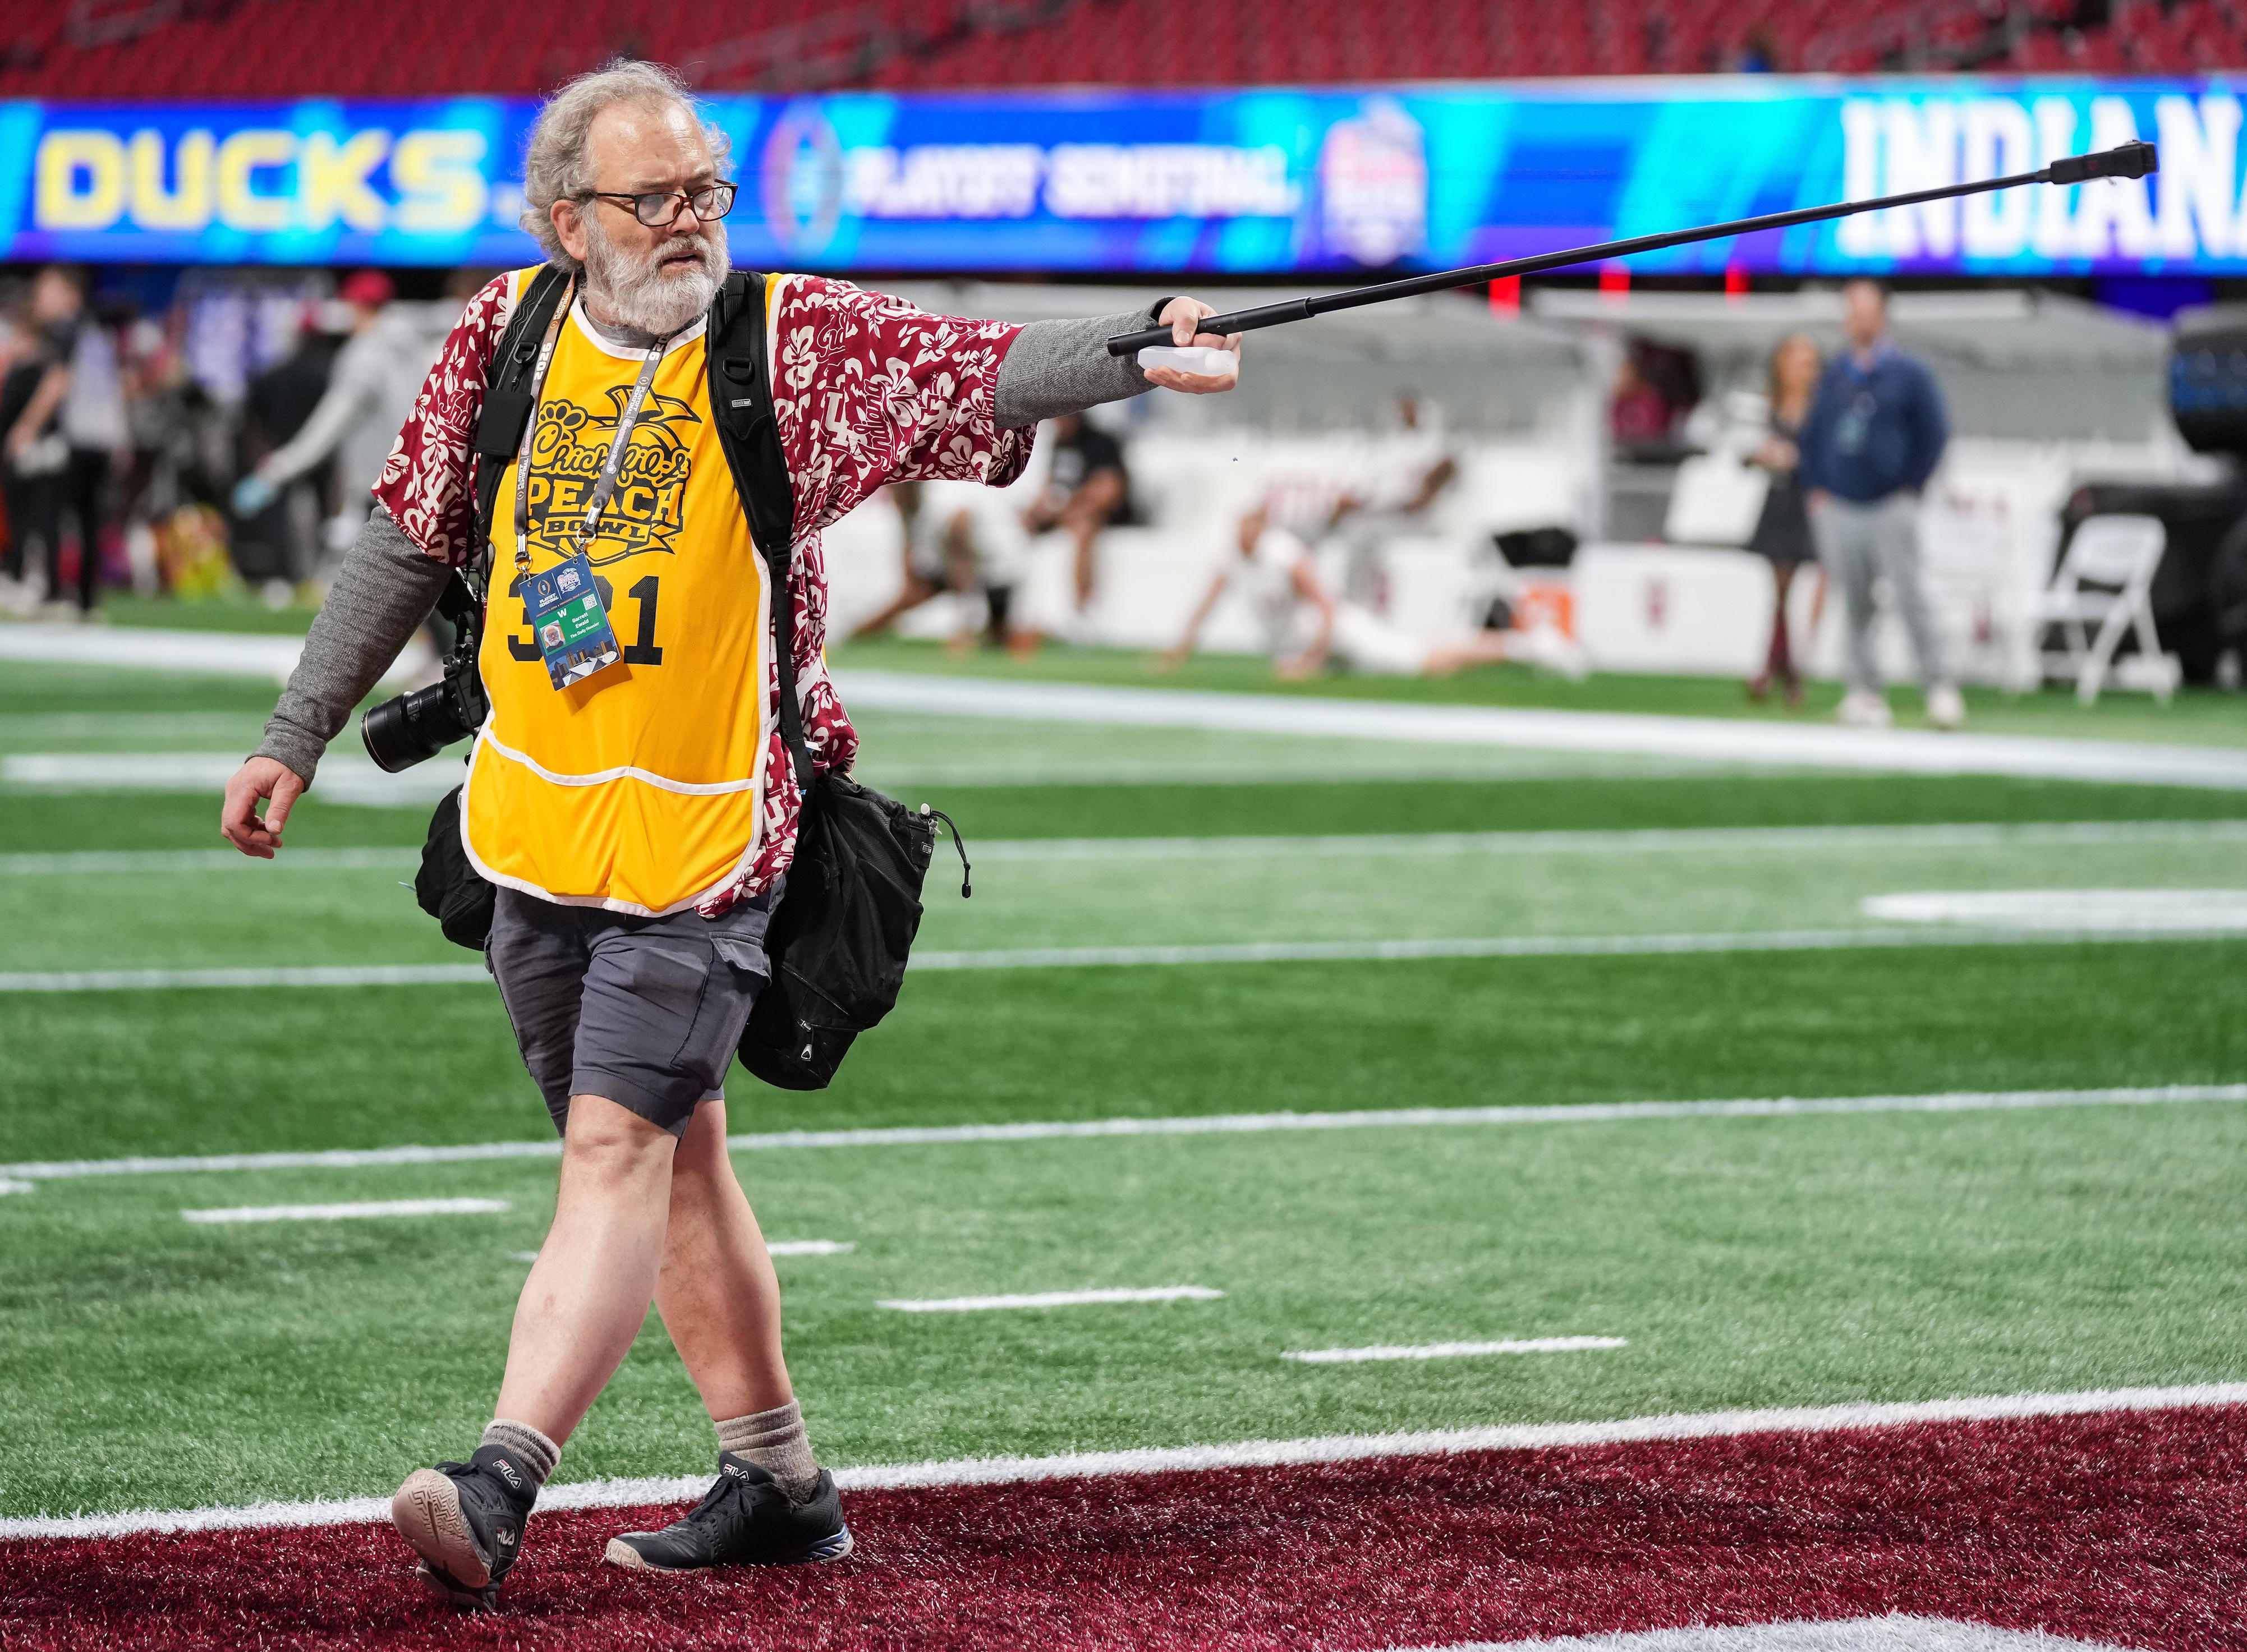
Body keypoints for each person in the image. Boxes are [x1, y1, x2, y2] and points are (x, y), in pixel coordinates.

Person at [216, 59, 1239, 1610]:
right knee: (670, 1151)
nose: (692, 221)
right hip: (533, 823)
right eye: (655, 197)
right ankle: (777, 1478)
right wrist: (294, 732)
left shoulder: (789, 341)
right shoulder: (499, 338)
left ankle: (501, 1477)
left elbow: (971, 365)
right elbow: (409, 535)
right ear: (570, 220)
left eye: (708, 190)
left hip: (715, 835)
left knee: (615, 1144)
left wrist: (1138, 343)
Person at [1161, 503, 1582, 682]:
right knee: (1422, 661)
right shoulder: (1233, 554)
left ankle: (1530, 644)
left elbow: (1325, 607)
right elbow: (1209, 600)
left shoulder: (1283, 553)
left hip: (1330, 634)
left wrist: (1311, 659)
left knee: (1425, 660)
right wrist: (1181, 646)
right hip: (1301, 643)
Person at [1798, 279, 1963, 730]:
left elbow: (1934, 434)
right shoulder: (1835, 373)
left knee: (1910, 596)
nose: (1856, 319)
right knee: (1853, 602)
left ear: (1884, 315)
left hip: (1891, 503)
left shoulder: (1910, 374)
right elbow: (1813, 435)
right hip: (1840, 505)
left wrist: (1912, 485)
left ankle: (1938, 688)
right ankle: (1864, 691)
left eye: (1865, 310)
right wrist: (1815, 488)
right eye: (1850, 310)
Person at [230, 270, 444, 579]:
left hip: (382, 491)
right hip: (426, 480)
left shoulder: (364, 356)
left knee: (351, 594)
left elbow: (328, 427)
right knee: (423, 589)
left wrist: (276, 470)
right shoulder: (421, 350)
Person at [2, 268, 123, 620]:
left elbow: (59, 380)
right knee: (84, 520)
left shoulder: (68, 330)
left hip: (76, 435)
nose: (42, 299)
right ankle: (83, 599)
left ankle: (54, 591)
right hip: (98, 436)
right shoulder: (97, 332)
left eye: (48, 291)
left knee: (49, 514)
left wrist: (26, 427)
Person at [851, 478, 1035, 652]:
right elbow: (911, 572)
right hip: (948, 566)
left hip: (997, 566)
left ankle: (1010, 632)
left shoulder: (943, 503)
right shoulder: (908, 509)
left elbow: (961, 541)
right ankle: (855, 633)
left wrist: (964, 625)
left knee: (1000, 639)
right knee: (911, 598)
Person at [1743, 333, 1826, 707]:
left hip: (1807, 504)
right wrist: (1762, 455)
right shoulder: (1764, 406)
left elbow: (1830, 458)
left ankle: (1778, 670)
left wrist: (1797, 459)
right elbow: (1741, 451)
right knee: (1779, 591)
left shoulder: (1824, 409)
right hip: (1777, 502)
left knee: (1792, 590)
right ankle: (1785, 673)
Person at [1330, 389, 1457, 609]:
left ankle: (1351, 604)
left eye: (1411, 409)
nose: (1406, 414)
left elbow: (1419, 502)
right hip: (1391, 516)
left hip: (1419, 521)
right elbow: (1379, 491)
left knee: (1360, 531)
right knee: (1349, 527)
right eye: (1403, 409)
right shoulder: (1392, 446)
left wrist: (1376, 509)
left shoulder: (1437, 446)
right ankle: (1357, 602)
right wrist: (1358, 505)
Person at [1020, 409, 1126, 621]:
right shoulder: (1050, 444)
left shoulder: (1100, 443)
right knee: (1014, 527)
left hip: (1089, 513)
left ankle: (1081, 608)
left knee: (1084, 526)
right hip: (1056, 513)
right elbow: (1043, 485)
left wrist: (1067, 505)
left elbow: (1109, 492)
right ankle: (1016, 613)